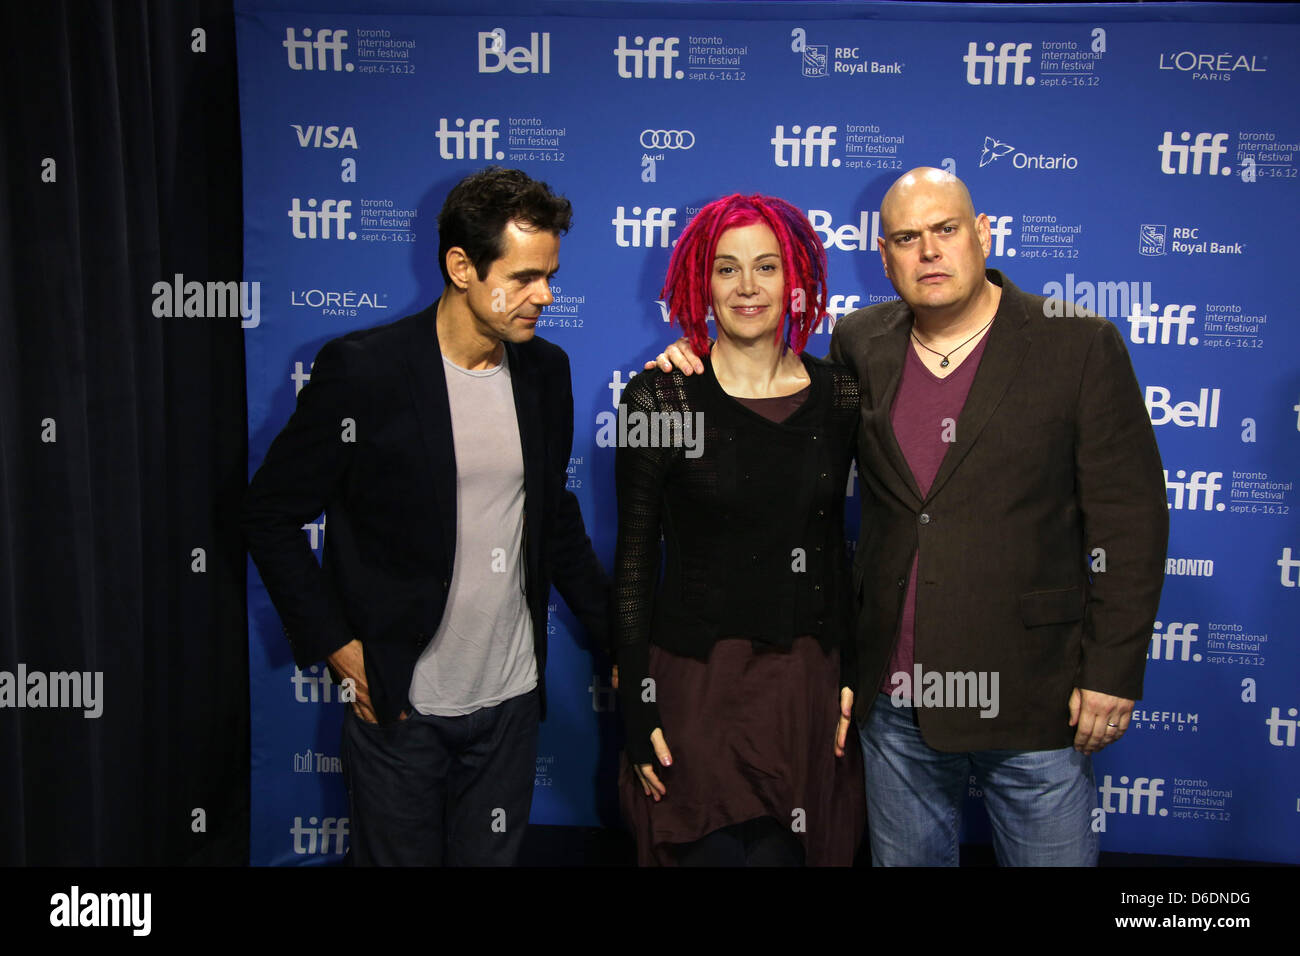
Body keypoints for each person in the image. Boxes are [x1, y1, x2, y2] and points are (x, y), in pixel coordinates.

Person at [654, 168, 1168, 866]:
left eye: (944, 230)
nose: (928, 251)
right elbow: (775, 423)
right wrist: (693, 361)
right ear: (884, 252)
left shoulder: (1076, 343)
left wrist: (1111, 671)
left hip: (1034, 697)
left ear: (982, 234)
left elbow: (1130, 520)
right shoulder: (861, 344)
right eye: (906, 238)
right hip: (893, 709)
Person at [242, 166, 610, 866]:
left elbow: (550, 518)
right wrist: (342, 652)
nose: (546, 295)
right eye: (526, 277)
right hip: (399, 704)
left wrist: (615, 636)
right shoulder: (364, 370)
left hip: (508, 708)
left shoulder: (544, 373)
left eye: (550, 274)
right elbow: (269, 514)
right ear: (462, 266)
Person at [617, 194, 865, 866]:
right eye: (727, 270)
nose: (748, 287)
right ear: (703, 284)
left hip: (804, 688)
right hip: (696, 690)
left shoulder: (841, 396)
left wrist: (854, 671)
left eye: (766, 267)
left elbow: (839, 551)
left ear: (796, 281)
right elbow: (634, 565)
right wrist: (636, 712)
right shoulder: (658, 397)